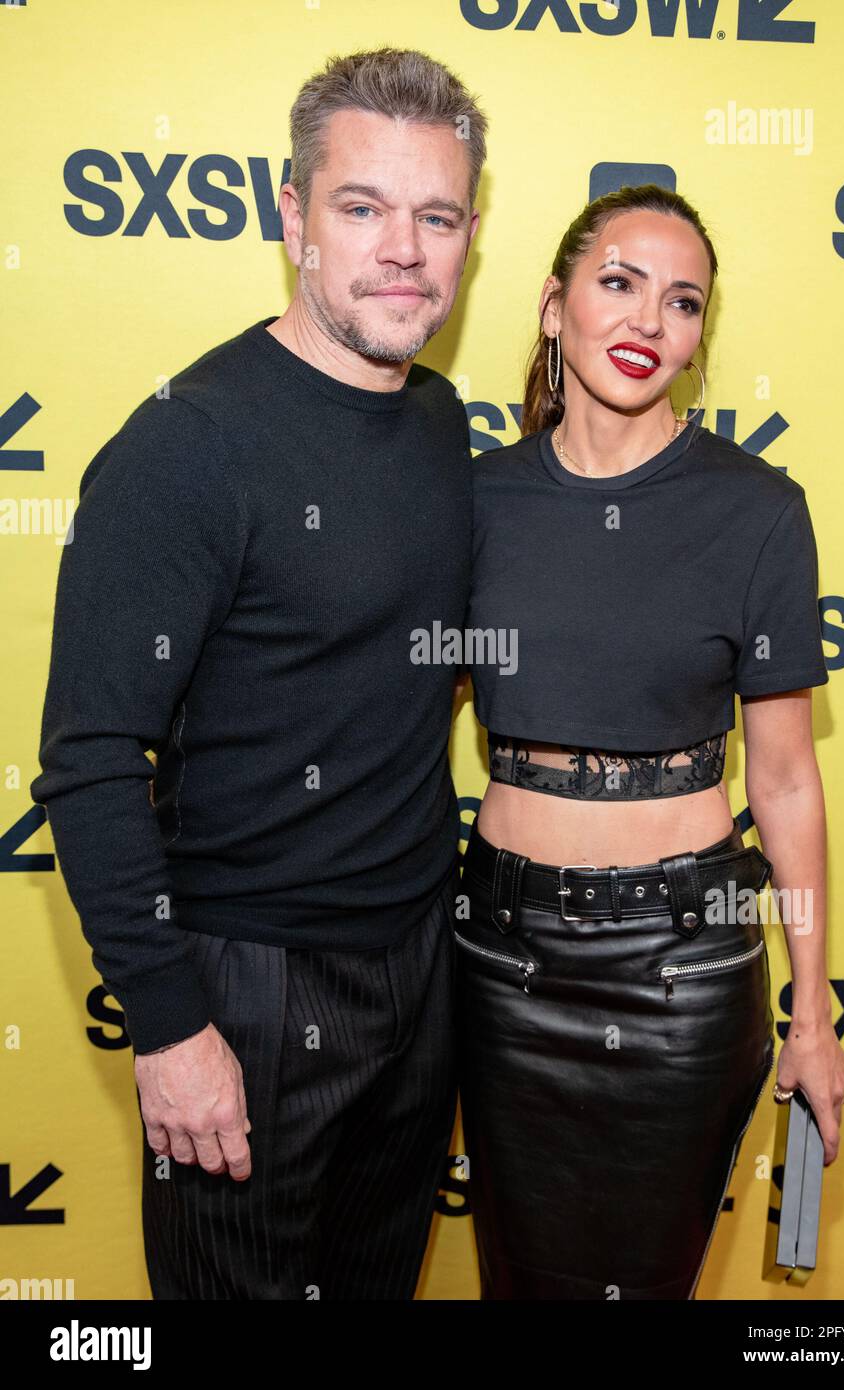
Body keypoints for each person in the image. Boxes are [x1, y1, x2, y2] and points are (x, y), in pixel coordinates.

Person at [30, 47, 486, 1300]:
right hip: (248, 986)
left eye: (435, 215)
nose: (403, 249)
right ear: (292, 218)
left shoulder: (445, 424)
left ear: (468, 236)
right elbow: (87, 760)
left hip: (418, 960)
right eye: (361, 208)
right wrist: (173, 1031)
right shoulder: (190, 444)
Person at [454, 183, 844, 1300]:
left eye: (681, 303)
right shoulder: (472, 499)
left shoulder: (757, 510)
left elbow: (782, 779)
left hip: (683, 962)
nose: (646, 321)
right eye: (618, 284)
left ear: (697, 338)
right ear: (551, 305)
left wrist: (810, 1016)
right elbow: (393, 715)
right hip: (499, 952)